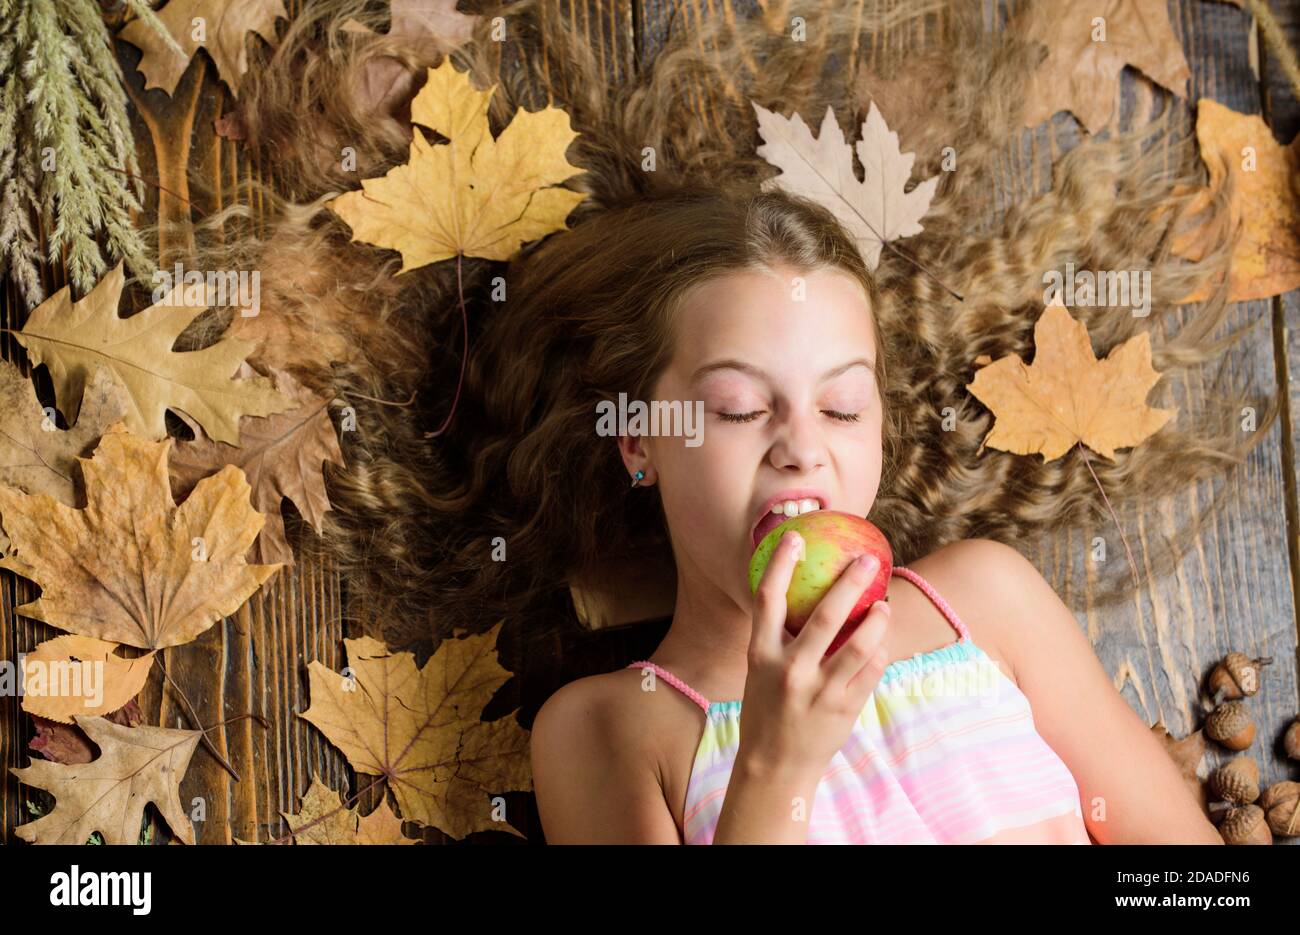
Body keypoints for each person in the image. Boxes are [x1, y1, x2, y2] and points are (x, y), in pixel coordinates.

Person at [528, 186, 1223, 844]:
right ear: (639, 439)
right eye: (739, 407)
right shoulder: (608, 731)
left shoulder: (985, 601)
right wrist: (775, 771)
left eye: (842, 407)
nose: (803, 447)